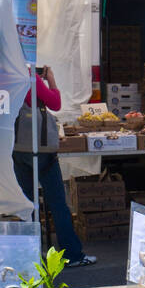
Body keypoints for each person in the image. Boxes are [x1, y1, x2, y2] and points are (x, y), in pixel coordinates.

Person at [12, 66, 96, 266]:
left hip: (17, 147)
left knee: (27, 204)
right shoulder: (30, 78)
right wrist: (51, 80)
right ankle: (72, 255)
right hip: (39, 150)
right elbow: (55, 104)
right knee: (58, 203)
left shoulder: (8, 76)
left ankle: (30, 255)